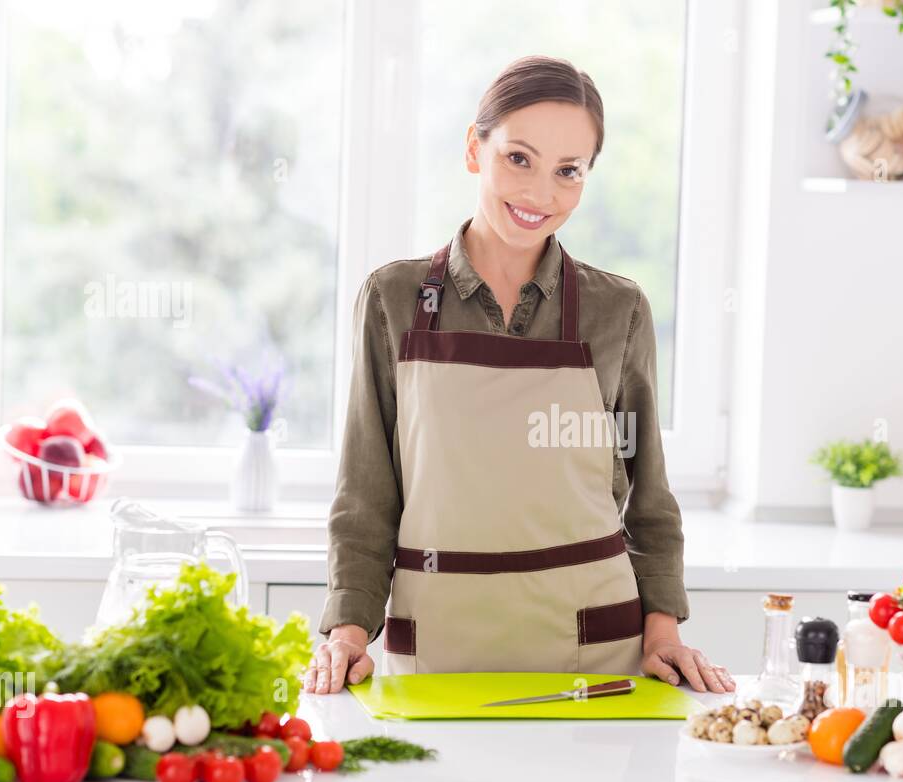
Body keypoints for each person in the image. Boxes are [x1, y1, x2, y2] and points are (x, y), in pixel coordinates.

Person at [306, 55, 732, 696]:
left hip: (595, 651)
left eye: (569, 172)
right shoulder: (392, 299)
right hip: (438, 648)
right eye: (519, 158)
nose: (540, 194)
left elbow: (648, 500)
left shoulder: (618, 310)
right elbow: (366, 498)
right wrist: (347, 635)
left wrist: (663, 635)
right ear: (474, 149)